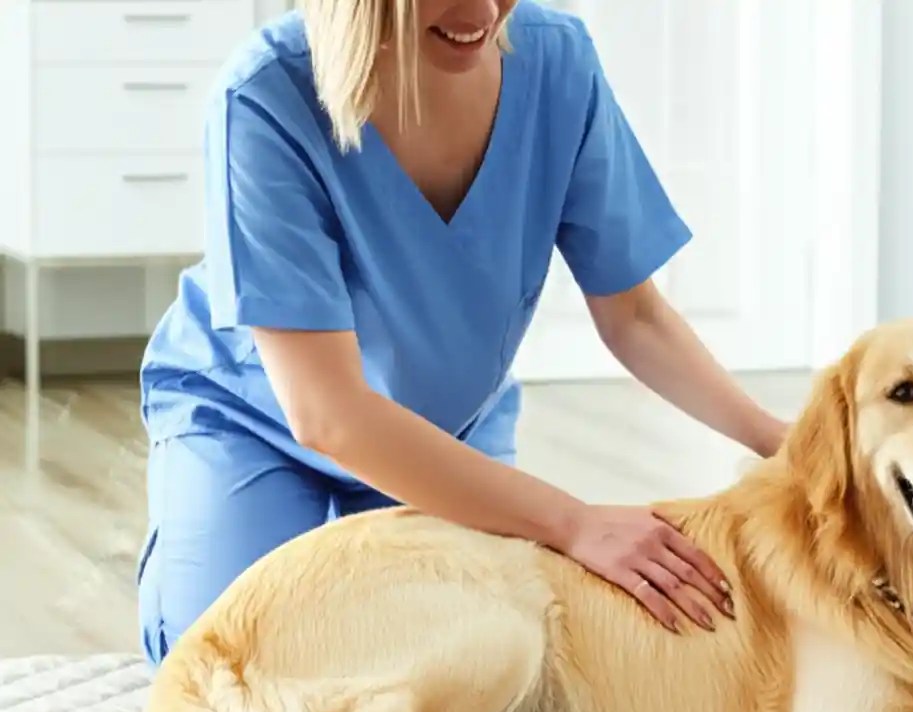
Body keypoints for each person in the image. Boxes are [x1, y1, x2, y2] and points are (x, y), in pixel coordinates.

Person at [135, 0, 789, 668]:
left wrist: (781, 443)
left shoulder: (556, 61)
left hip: (446, 433)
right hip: (253, 419)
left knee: (474, 661)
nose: (481, 12)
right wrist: (575, 522)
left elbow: (635, 316)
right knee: (223, 661)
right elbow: (329, 414)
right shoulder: (265, 95)